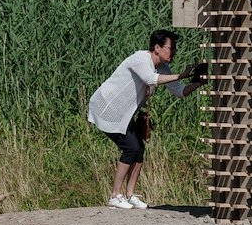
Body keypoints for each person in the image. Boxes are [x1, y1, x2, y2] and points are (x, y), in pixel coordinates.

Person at [87, 31, 207, 209]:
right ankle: (114, 195)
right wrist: (182, 75)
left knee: (139, 149)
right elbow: (150, 79)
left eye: (174, 48)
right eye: (170, 48)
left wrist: (198, 82)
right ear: (157, 48)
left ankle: (129, 195)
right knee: (131, 148)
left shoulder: (163, 68)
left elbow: (179, 92)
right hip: (109, 110)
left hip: (125, 115)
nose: (173, 52)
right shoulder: (141, 59)